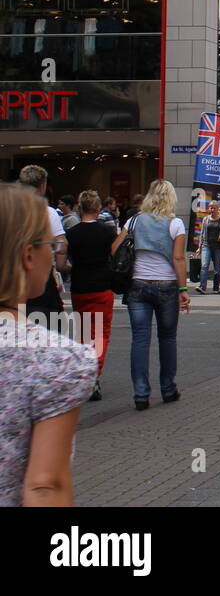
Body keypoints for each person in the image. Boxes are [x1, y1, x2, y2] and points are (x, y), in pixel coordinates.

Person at [0, 183, 98, 506]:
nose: (54, 252)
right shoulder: (56, 360)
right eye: (50, 244)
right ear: (28, 254)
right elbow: (44, 485)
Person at [111, 179, 190, 410]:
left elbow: (115, 248)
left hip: (137, 285)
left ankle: (141, 393)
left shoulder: (133, 221)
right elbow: (178, 258)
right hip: (166, 286)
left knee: (140, 339)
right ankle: (167, 388)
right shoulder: (175, 224)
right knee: (167, 338)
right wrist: (183, 290)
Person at [64, 190, 118, 401]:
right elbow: (114, 254)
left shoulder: (72, 232)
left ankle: (83, 374)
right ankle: (93, 375)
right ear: (97, 208)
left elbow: (64, 261)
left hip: (79, 288)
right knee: (101, 333)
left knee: (83, 334)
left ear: (79, 207)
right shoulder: (106, 231)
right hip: (102, 286)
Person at [18, 165, 68, 322]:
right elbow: (62, 245)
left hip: (13, 280)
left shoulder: (11, 210)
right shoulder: (48, 212)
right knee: (49, 332)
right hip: (43, 282)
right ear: (42, 186)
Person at [195, 201, 220, 295]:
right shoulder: (206, 219)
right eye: (210, 208)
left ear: (217, 209)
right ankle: (202, 287)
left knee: (217, 269)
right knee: (204, 266)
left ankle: (216, 287)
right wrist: (200, 247)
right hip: (206, 245)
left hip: (217, 246)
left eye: (214, 208)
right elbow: (202, 233)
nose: (212, 210)